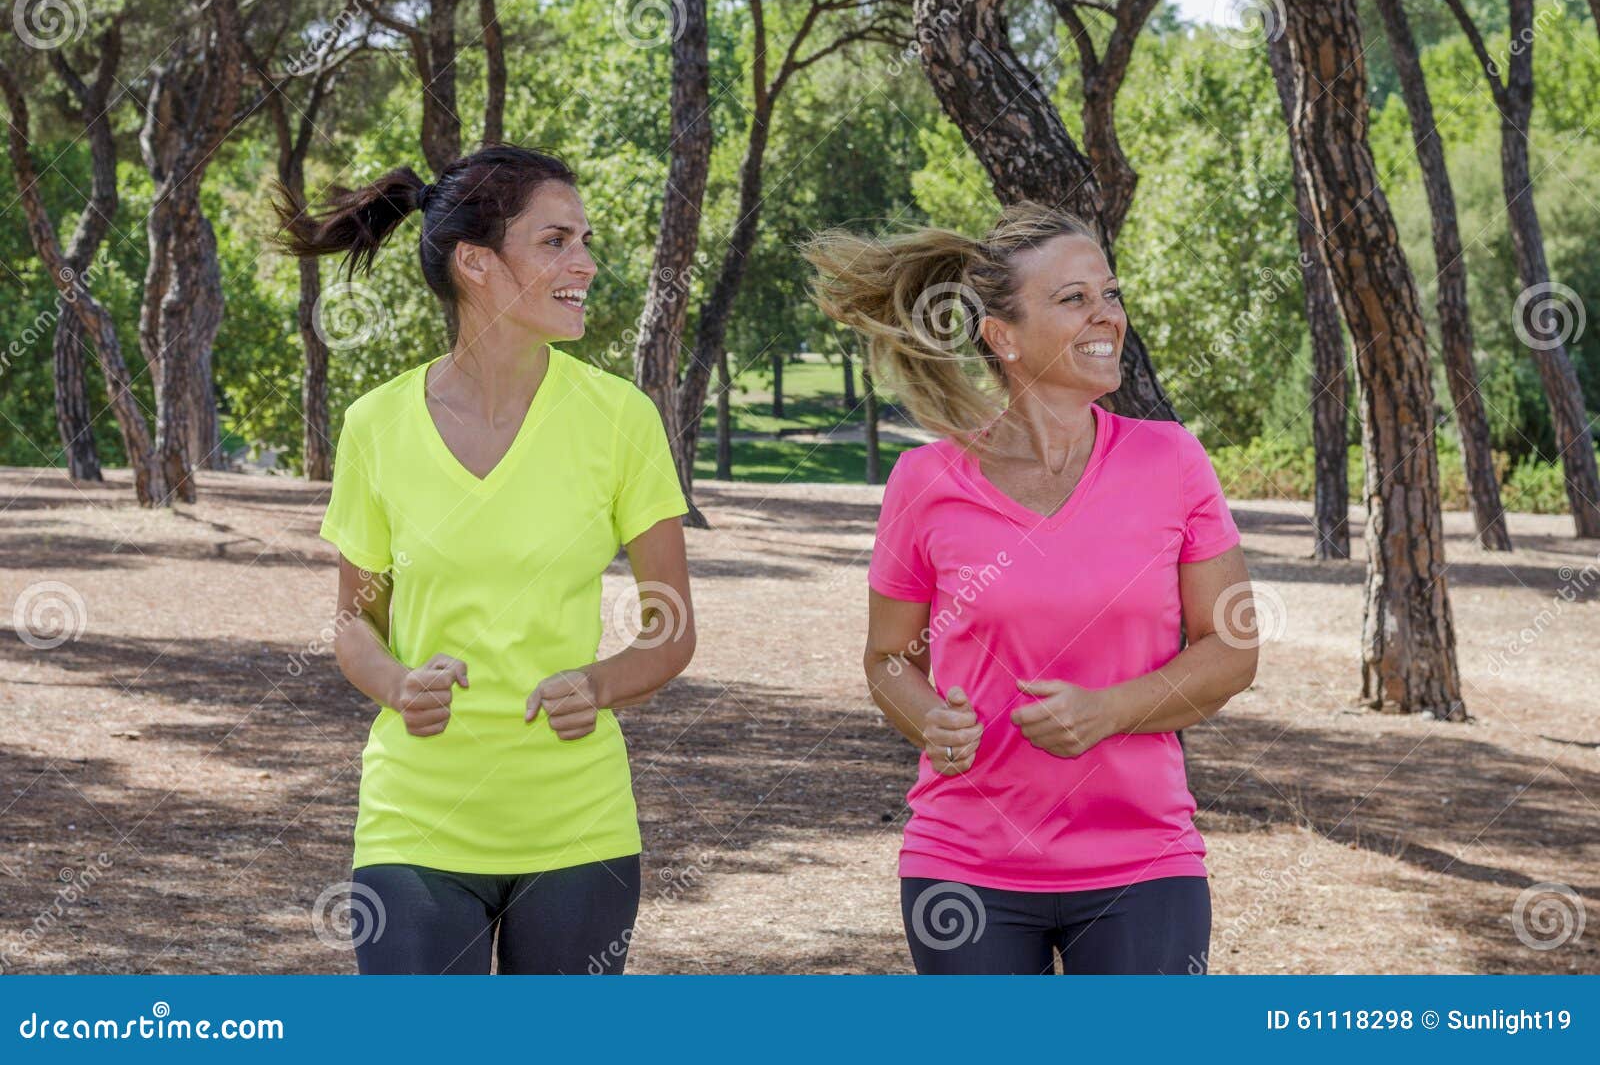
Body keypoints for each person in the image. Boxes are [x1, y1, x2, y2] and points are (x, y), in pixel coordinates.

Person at [802, 201, 1258, 975]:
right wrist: (928, 723)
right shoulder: (926, 479)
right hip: (966, 868)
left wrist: (1109, 711)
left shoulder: (1171, 460)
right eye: (1073, 299)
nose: (1106, 316)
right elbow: (887, 660)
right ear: (1003, 337)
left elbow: (1232, 651)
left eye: (1109, 294)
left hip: (1144, 865)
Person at [278, 144, 695, 974]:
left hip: (579, 826)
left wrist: (601, 685)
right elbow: (355, 626)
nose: (586, 262)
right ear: (475, 262)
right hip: (415, 823)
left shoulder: (621, 420)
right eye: (555, 242)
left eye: (584, 238)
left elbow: (671, 629)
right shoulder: (377, 425)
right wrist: (398, 685)